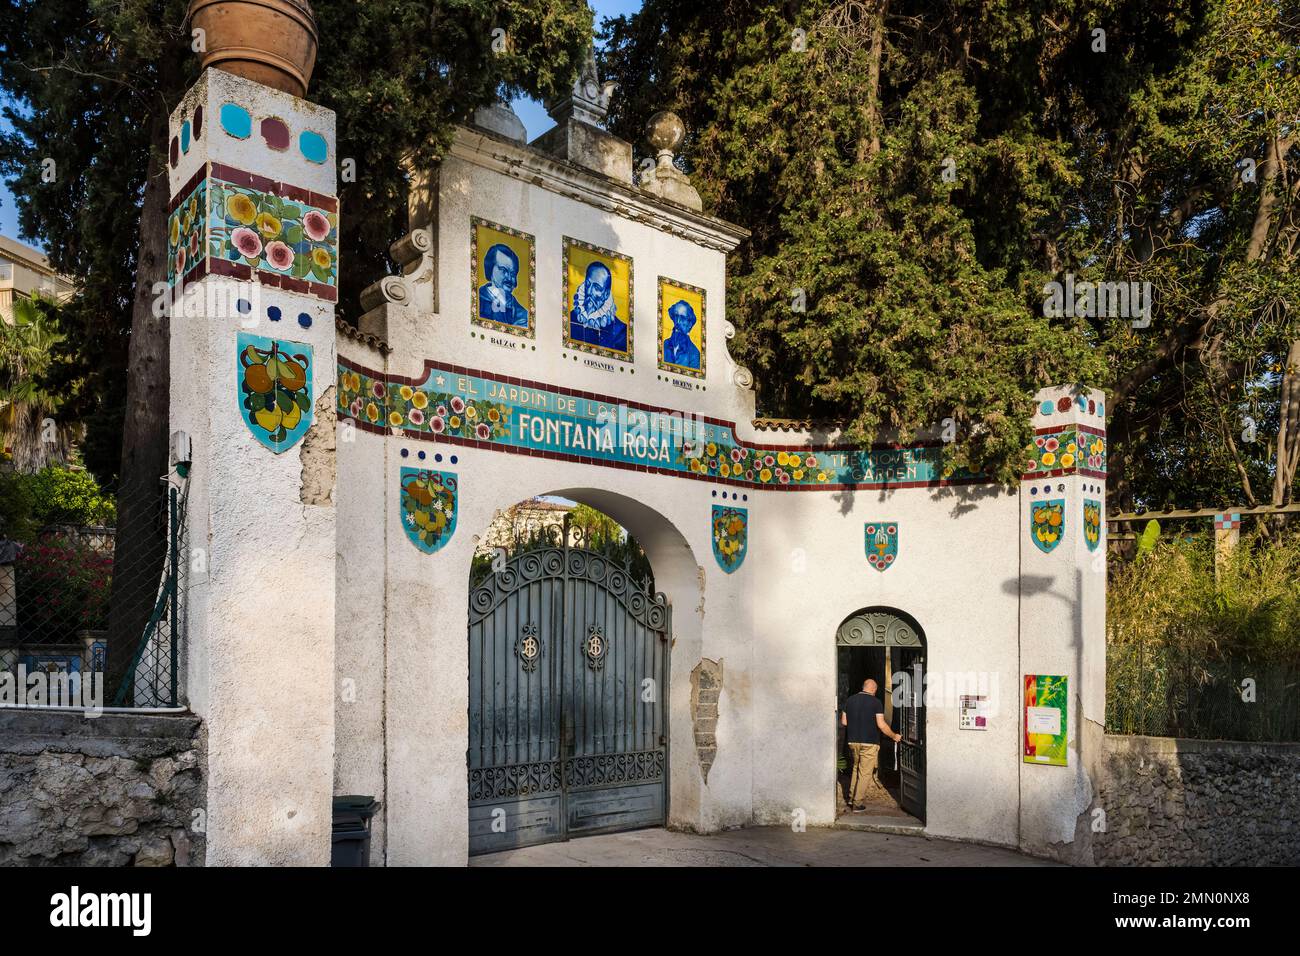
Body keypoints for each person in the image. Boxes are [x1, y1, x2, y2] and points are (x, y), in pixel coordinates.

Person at [841, 678, 903, 811]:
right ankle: (857, 804)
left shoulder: (850, 700)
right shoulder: (876, 702)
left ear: (864, 687)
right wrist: (894, 736)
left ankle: (852, 798)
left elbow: (844, 722)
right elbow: (881, 724)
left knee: (856, 769)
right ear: (874, 689)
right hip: (869, 742)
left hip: (853, 741)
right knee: (865, 773)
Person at [569, 261, 628, 353]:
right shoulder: (569, 319)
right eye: (588, 284)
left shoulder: (621, 332)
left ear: (606, 294)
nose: (589, 292)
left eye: (597, 288)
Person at [478, 243, 529, 327]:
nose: (509, 278)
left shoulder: (522, 313)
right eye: (503, 270)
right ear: (490, 269)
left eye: (512, 273)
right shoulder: (477, 300)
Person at [662, 299, 701, 370]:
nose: (678, 321)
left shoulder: (694, 354)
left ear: (689, 324)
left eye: (682, 318)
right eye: (676, 316)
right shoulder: (664, 344)